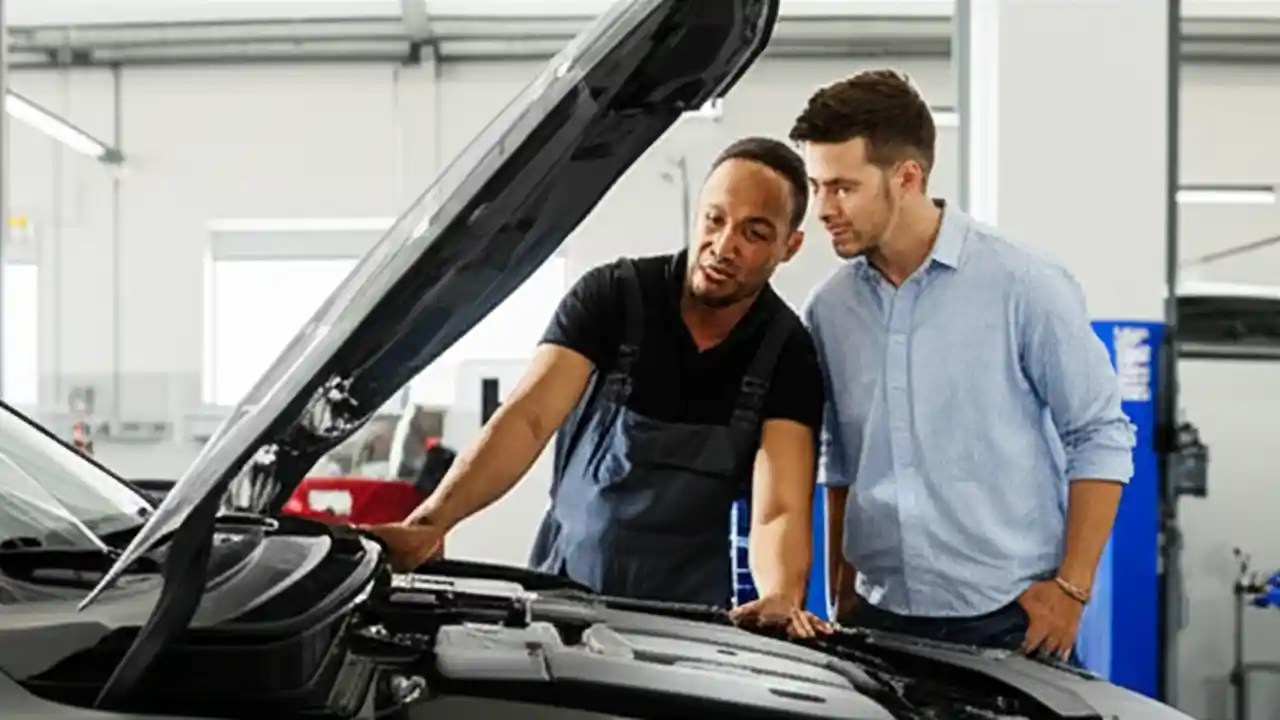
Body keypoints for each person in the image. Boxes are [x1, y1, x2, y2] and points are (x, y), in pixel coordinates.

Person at [364, 137, 831, 637]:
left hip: (687, 625)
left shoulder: (788, 354)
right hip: (560, 599)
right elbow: (527, 418)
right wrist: (433, 521)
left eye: (754, 233)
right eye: (715, 220)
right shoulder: (614, 297)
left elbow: (780, 504)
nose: (724, 246)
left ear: (790, 246)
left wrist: (780, 593)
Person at [790, 70, 1136, 662]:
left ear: (907, 177)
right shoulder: (830, 308)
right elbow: (842, 456)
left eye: (842, 187)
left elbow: (1100, 435)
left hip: (1011, 623)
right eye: (816, 186)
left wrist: (1072, 591)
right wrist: (839, 587)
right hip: (879, 621)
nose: (821, 209)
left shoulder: (1024, 284)